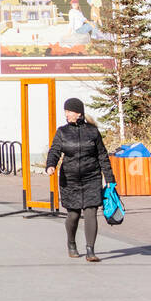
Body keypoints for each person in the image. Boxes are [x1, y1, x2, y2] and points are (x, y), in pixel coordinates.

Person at [45, 97, 115, 262]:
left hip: (92, 177)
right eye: (66, 112)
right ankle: (71, 243)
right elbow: (54, 150)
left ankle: (90, 250)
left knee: (91, 211)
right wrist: (51, 165)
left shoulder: (92, 131)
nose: (66, 115)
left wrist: (110, 178)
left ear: (78, 113)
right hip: (70, 179)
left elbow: (102, 155)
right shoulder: (62, 132)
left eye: (69, 111)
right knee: (74, 215)